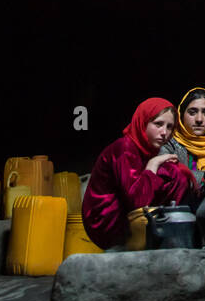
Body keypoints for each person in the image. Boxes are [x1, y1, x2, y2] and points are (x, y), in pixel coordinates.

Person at [82, 97, 196, 250]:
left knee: (175, 173)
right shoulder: (124, 149)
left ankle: (168, 226)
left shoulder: (147, 149)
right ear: (142, 123)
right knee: (169, 172)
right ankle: (153, 232)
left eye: (170, 127)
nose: (165, 133)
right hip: (104, 220)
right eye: (158, 124)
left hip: (127, 210)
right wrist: (153, 164)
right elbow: (138, 201)